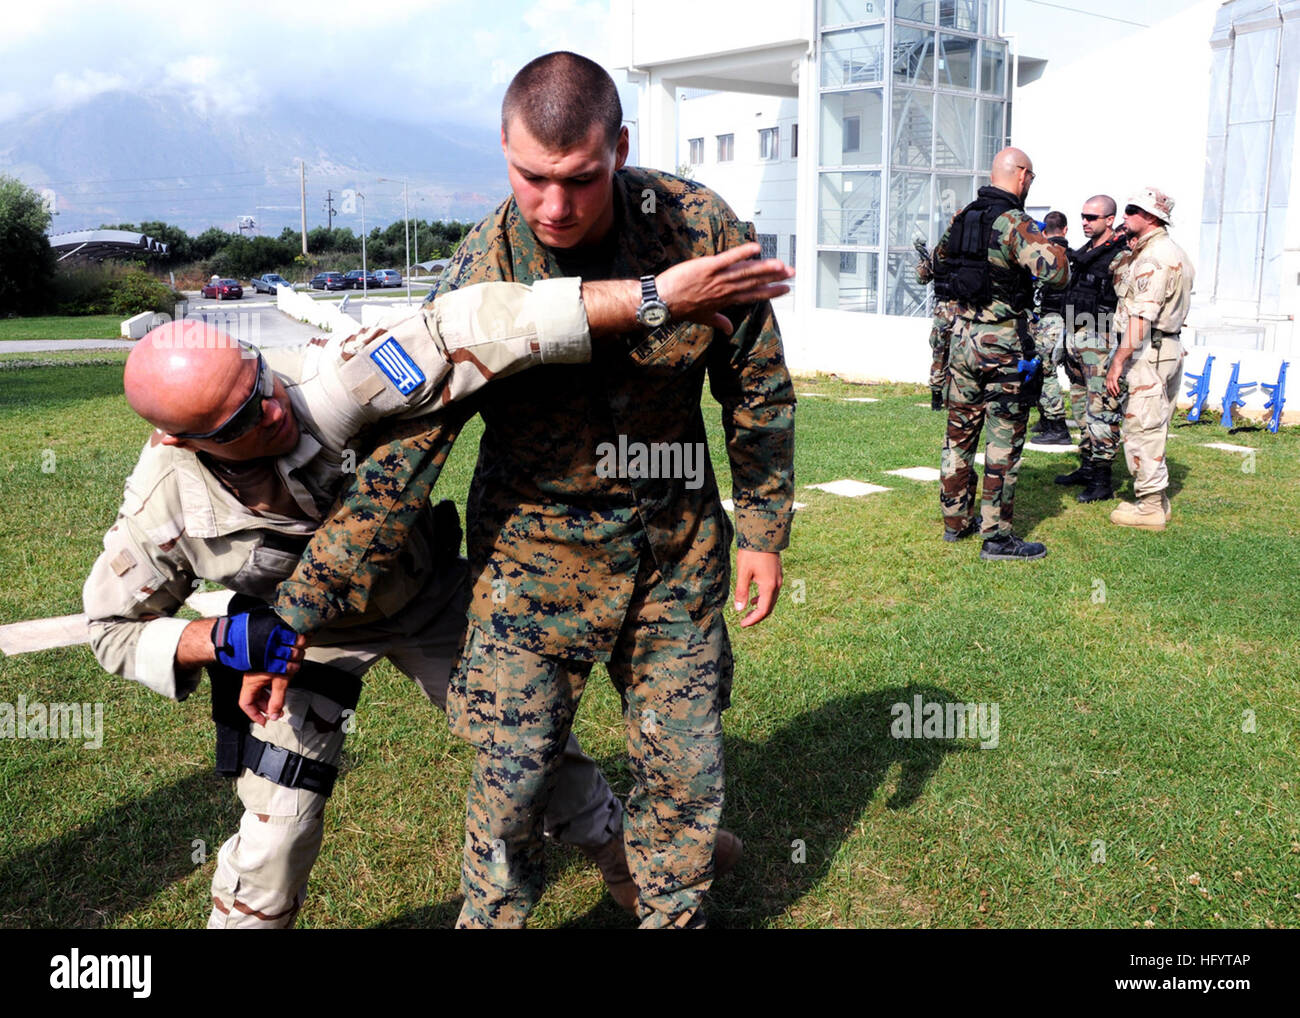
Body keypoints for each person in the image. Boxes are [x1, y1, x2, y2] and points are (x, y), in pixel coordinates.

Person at [83, 256, 783, 927]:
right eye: (238, 421)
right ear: (178, 439)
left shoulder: (328, 383)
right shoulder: (161, 507)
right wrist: (229, 640)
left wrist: (649, 298)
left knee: (529, 743)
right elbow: (109, 629)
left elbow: (464, 327)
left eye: (258, 379)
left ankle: (629, 861)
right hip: (297, 639)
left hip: (425, 600)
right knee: (278, 829)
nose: (271, 410)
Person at [269, 51, 796, 928]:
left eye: (581, 179)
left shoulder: (697, 226)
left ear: (619, 148)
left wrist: (765, 531)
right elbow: (406, 457)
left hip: (677, 555)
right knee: (510, 785)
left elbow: (757, 385)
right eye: (532, 178)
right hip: (531, 569)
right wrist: (297, 613)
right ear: (503, 154)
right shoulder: (480, 275)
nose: (555, 207)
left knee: (685, 773)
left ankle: (676, 914)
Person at [934, 147, 1070, 560]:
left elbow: (936, 266)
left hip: (962, 342)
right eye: (1032, 178)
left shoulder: (961, 218)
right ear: (1022, 175)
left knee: (958, 437)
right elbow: (1057, 272)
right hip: (1003, 345)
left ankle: (955, 522)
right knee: (1003, 441)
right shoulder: (1015, 223)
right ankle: (997, 537)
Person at [1105, 187, 1193, 529]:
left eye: (1131, 210)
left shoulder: (1155, 258)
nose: (1124, 216)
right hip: (1166, 347)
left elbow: (1141, 317)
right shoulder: (1168, 252)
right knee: (1156, 425)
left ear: (1152, 217)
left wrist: (1118, 360)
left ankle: (1150, 507)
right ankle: (1159, 500)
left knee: (1142, 427)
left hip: (1149, 350)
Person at [1053, 194, 1131, 503]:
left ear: (1109, 220)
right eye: (1083, 216)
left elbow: (1129, 304)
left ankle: (1102, 479)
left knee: (1102, 410)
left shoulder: (1121, 257)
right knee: (1080, 406)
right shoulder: (1083, 252)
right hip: (1076, 338)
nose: (1085, 221)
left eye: (1092, 217)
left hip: (1101, 341)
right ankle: (1086, 466)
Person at [1028, 210, 1073, 445]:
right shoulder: (1073, 255)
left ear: (1044, 231)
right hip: (1062, 318)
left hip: (1049, 319)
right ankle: (1046, 419)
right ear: (1065, 229)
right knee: (1042, 369)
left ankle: (1057, 426)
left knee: (1046, 372)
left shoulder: (1043, 255)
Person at [916, 236, 957, 411]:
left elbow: (921, 278)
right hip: (963, 311)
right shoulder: (971, 254)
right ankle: (955, 397)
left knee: (939, 356)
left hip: (942, 310)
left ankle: (936, 399)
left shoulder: (936, 253)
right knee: (961, 357)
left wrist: (924, 259)